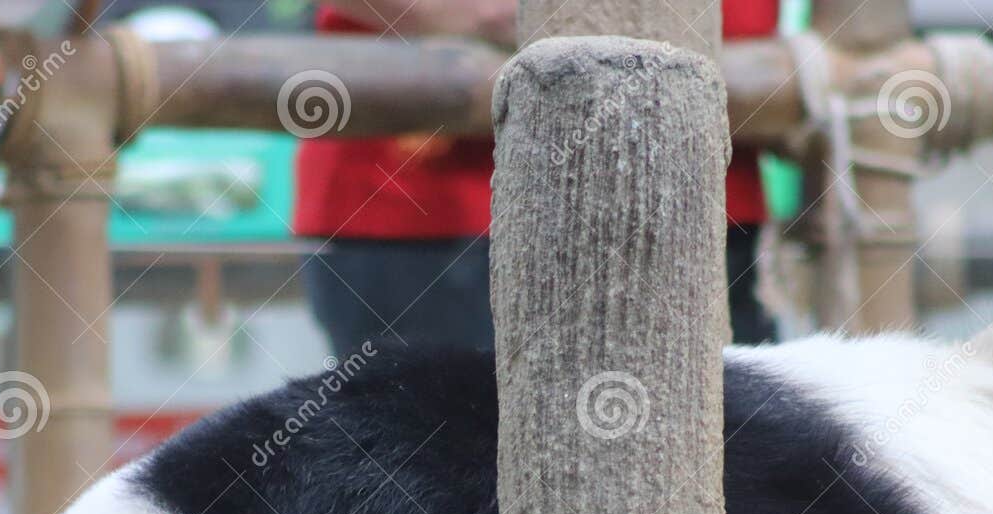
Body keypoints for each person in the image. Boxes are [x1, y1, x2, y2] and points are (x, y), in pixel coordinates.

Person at [294, 0, 780, 356]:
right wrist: (483, 14)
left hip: (698, 183)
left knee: (725, 460)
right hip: (432, 202)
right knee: (446, 467)